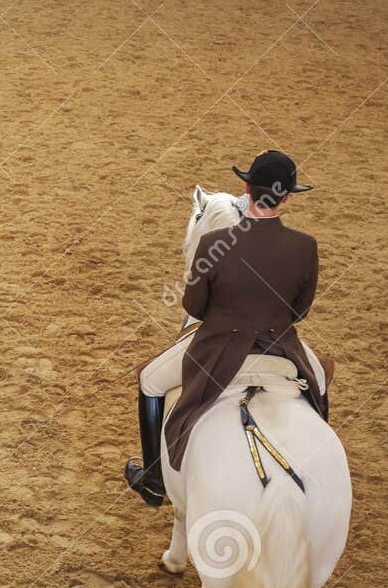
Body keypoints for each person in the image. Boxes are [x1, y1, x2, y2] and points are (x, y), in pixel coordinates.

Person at [124, 150, 328, 506]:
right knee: (322, 378)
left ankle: (155, 478)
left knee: (149, 381)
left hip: (219, 346)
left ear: (247, 189)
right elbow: (300, 311)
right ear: (286, 197)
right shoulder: (305, 246)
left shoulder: (213, 244)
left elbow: (194, 308)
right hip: (280, 345)